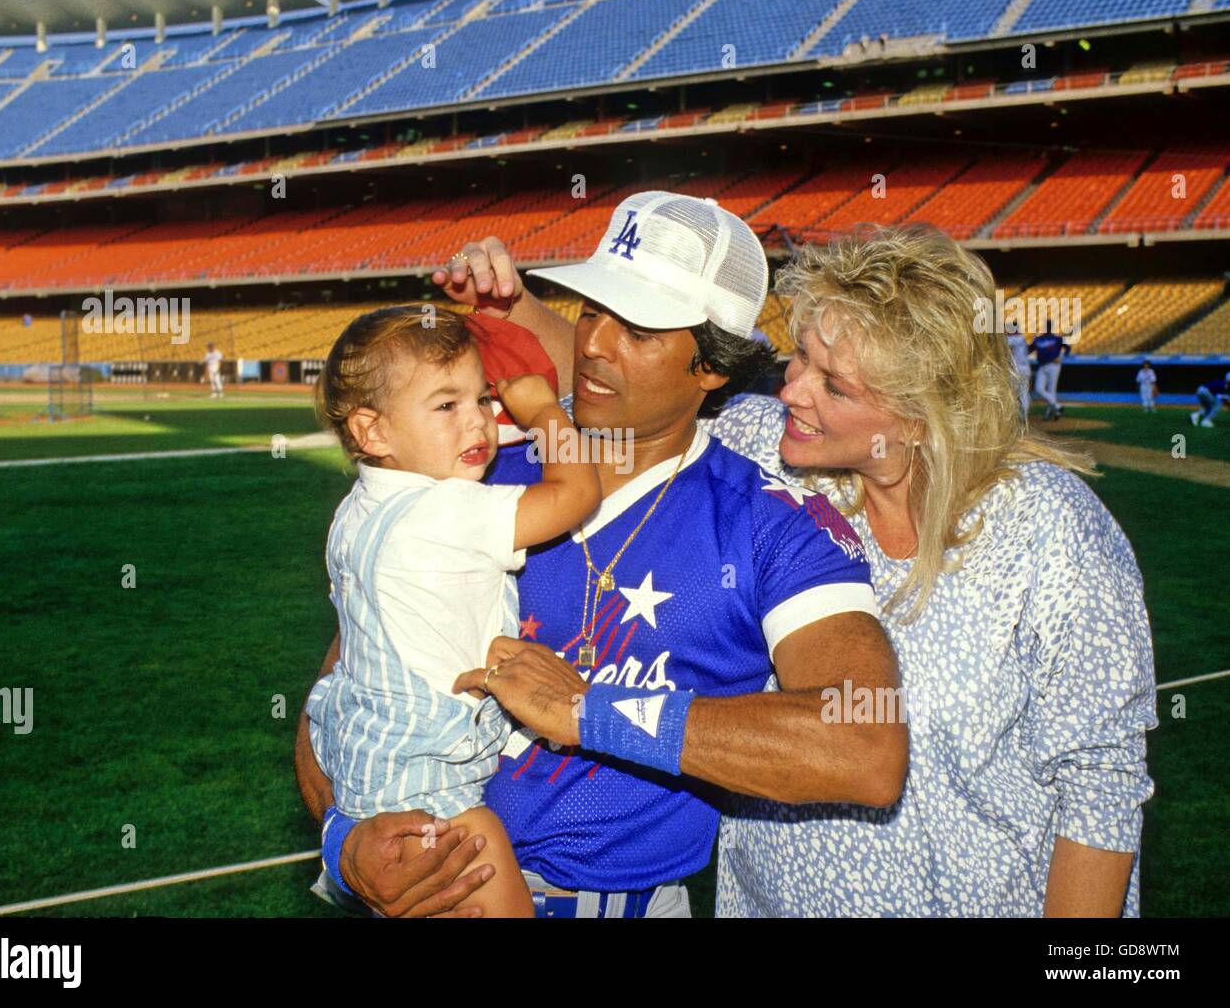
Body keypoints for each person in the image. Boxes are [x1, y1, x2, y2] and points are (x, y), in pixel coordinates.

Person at [418, 222, 1156, 918]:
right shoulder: (767, 441)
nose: (792, 391)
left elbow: (1102, 789)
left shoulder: (1048, 530)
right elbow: (639, 373)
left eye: (835, 385)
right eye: (799, 357)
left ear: (922, 417)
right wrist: (519, 308)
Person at [294, 192, 907, 919]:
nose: (592, 345)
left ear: (710, 367)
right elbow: (343, 687)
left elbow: (865, 746)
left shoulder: (769, 522)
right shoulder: (472, 473)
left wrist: (589, 711)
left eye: (638, 328)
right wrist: (342, 840)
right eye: (591, 311)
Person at [307, 305, 600, 916]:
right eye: (447, 406)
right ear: (373, 432)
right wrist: (544, 410)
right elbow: (577, 493)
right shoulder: (446, 512)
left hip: (366, 770)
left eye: (482, 399)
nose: (482, 422)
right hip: (434, 791)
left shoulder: (354, 511)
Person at [1031, 317, 1066, 421]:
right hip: (1043, 366)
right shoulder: (1038, 339)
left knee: (1052, 390)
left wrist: (1060, 357)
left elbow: (1067, 348)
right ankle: (1057, 407)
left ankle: (1049, 414)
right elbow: (1030, 349)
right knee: (1038, 389)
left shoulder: (1057, 339)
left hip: (1053, 366)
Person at [1006, 317, 1031, 421]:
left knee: (1013, 394)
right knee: (1023, 393)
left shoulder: (1014, 339)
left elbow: (1004, 345)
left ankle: (1018, 417)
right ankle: (1024, 417)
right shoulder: (1022, 338)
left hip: (1016, 370)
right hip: (1026, 369)